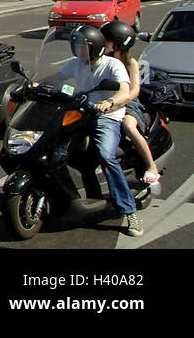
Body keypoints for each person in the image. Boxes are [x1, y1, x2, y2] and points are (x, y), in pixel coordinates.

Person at [37, 26, 141, 236]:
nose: (78, 51)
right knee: (52, 147)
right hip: (80, 112)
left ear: (96, 49)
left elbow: (124, 90)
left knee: (105, 155)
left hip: (107, 117)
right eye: (76, 47)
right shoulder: (76, 64)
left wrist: (110, 101)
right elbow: (57, 77)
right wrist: (35, 84)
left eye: (83, 47)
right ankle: (64, 198)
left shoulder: (113, 65)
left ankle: (129, 211)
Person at [100, 20, 162, 186]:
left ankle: (151, 166)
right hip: (104, 102)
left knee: (129, 127)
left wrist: (118, 103)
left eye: (104, 40)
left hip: (129, 103)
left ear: (116, 44)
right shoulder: (101, 59)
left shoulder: (131, 63)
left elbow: (134, 91)